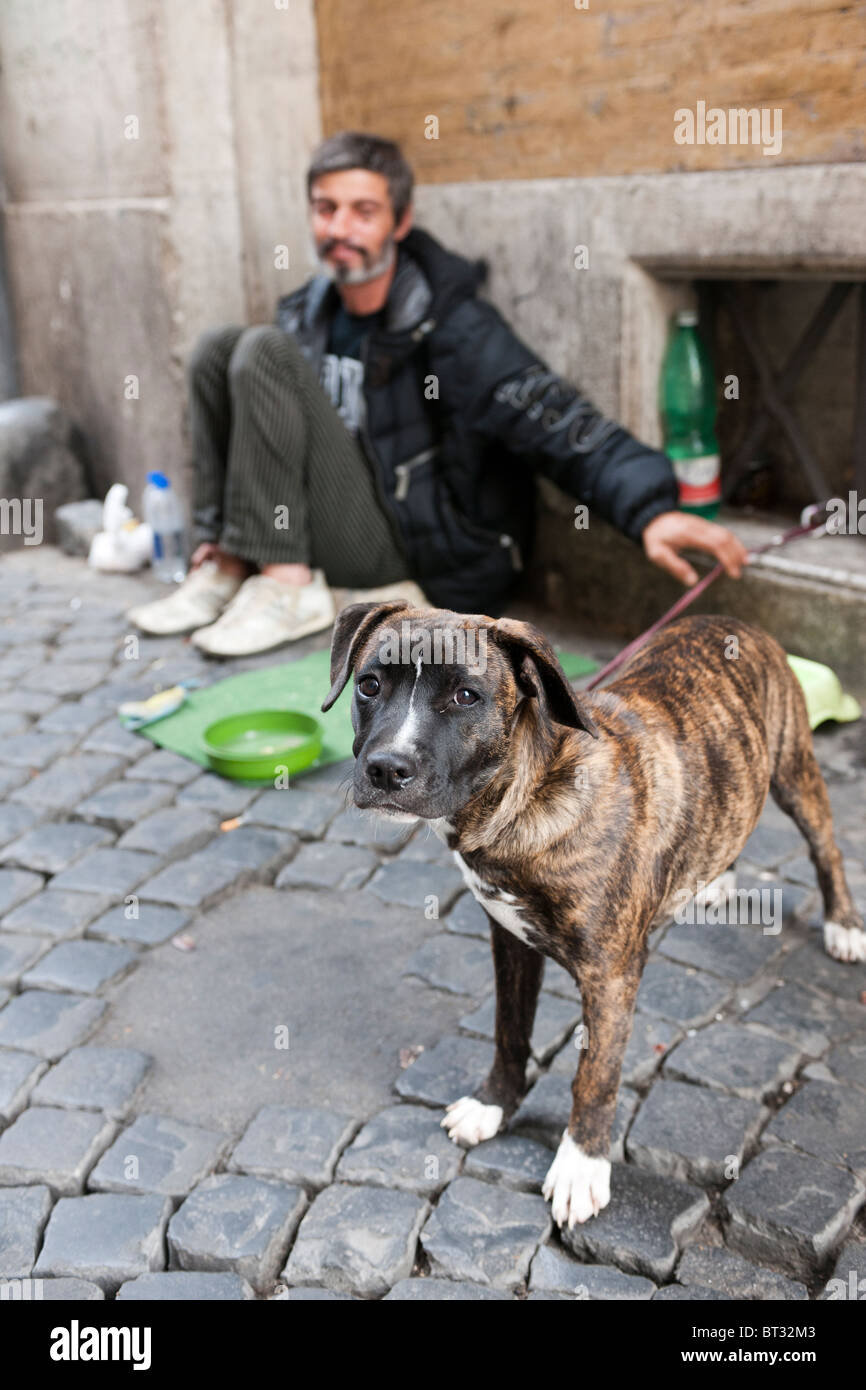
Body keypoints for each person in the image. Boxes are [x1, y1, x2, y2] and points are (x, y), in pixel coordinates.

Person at [128, 131, 748, 656]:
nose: (339, 228)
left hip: (417, 557)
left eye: (362, 211)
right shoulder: (304, 315)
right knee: (218, 346)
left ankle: (287, 587)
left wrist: (648, 506)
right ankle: (229, 564)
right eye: (326, 209)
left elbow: (549, 411)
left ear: (400, 221)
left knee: (259, 350)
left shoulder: (452, 324)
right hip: (338, 518)